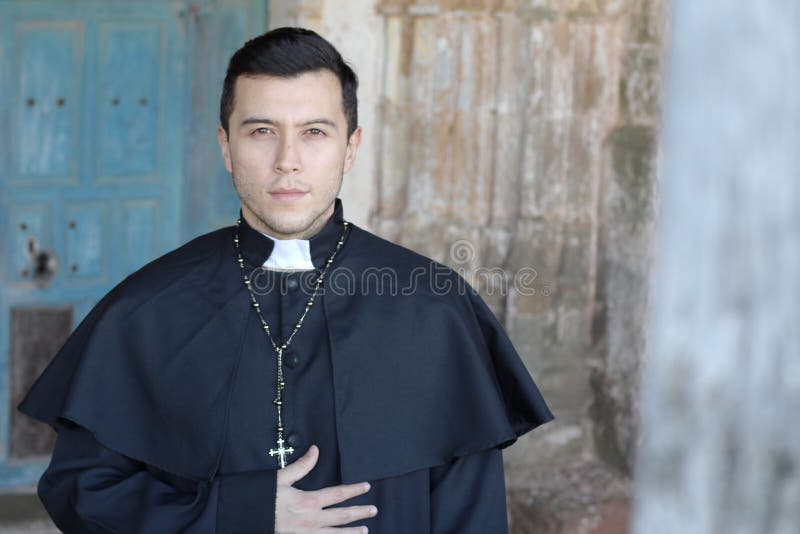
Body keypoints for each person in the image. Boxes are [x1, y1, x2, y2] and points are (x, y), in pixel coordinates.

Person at [20, 27, 553, 533]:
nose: (287, 162)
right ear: (226, 146)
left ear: (351, 147)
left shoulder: (436, 310)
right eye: (261, 132)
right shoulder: (145, 308)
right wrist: (236, 515)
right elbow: (82, 493)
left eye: (314, 133)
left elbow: (472, 517)